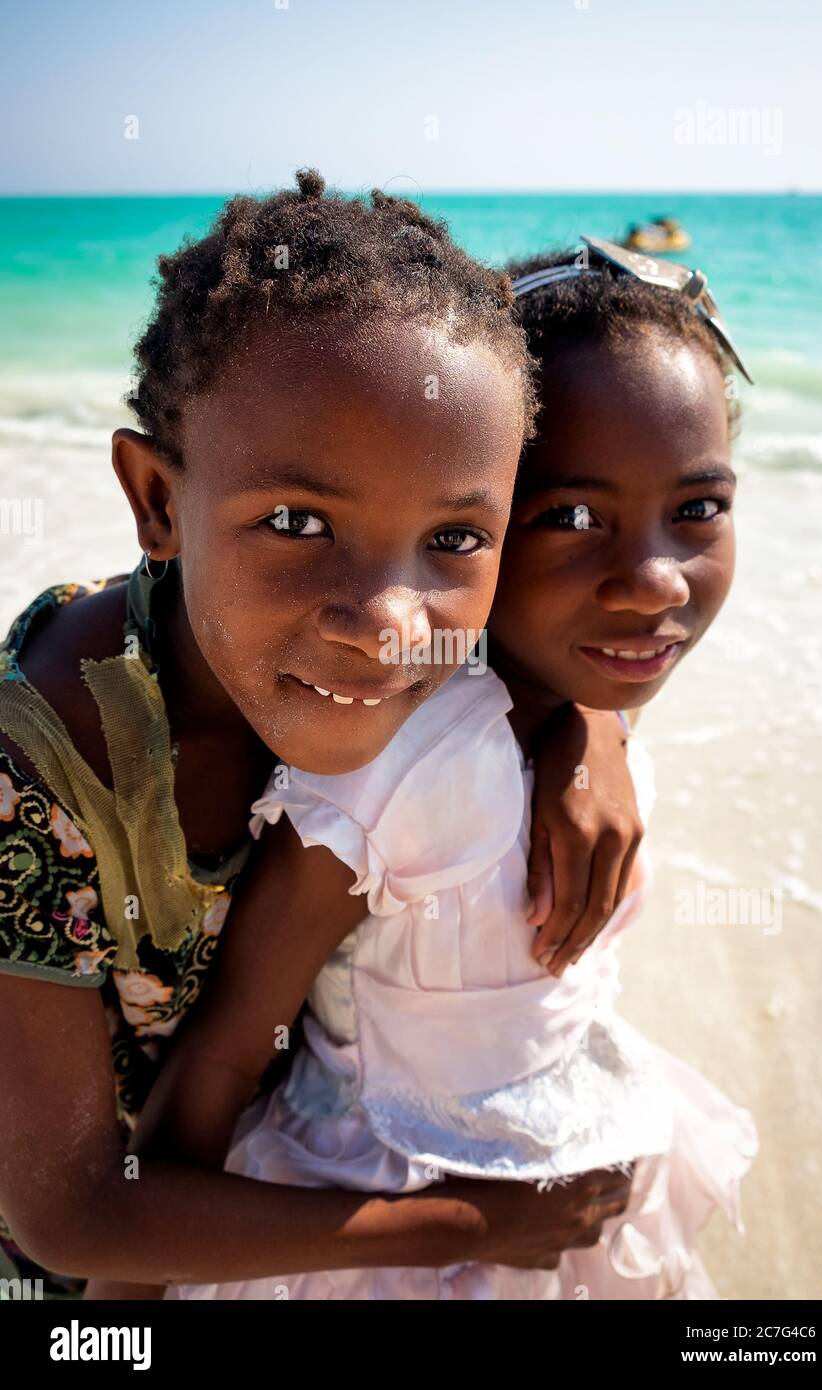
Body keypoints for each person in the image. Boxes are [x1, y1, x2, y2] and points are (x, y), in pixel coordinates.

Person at [0, 176, 644, 1299]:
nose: (387, 621)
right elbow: (73, 1214)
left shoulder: (404, 644)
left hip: (257, 1160)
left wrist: (589, 733)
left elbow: (558, 632)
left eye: (453, 534)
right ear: (156, 499)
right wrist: (464, 1220)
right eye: (295, 523)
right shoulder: (42, 770)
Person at [132, 242, 759, 1300]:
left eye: (695, 508)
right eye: (567, 517)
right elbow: (222, 1061)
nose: (653, 581)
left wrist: (589, 732)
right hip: (384, 1231)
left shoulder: (583, 701)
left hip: (566, 1171)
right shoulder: (399, 765)